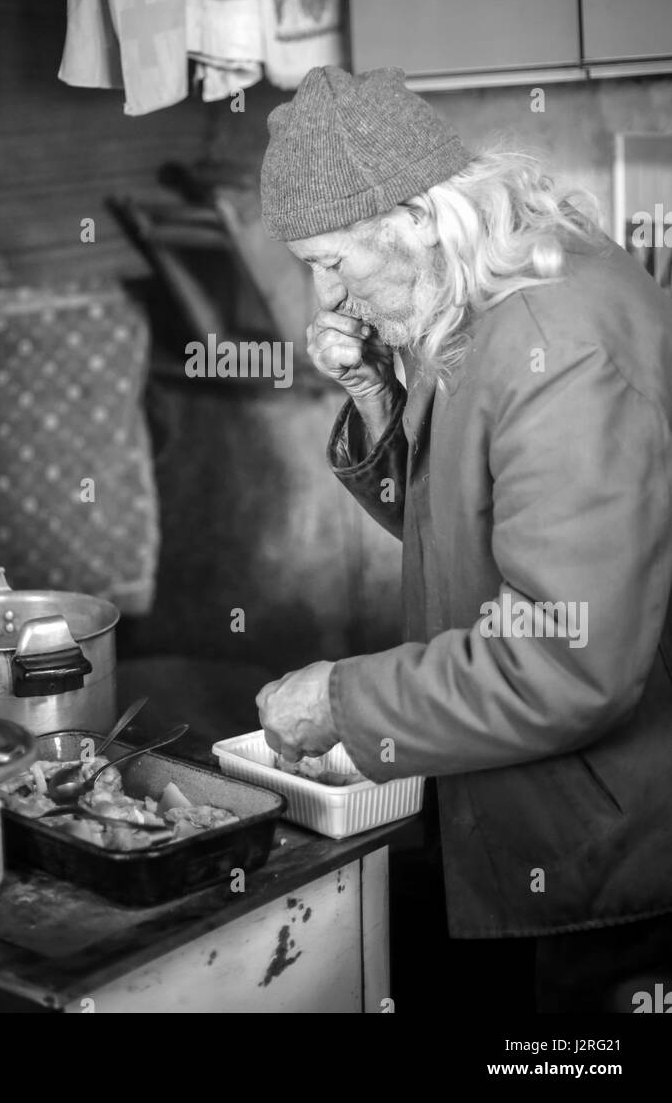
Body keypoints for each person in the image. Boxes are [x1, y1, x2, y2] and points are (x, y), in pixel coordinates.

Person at [255, 64, 672, 1013]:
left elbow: (564, 666)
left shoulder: (555, 347)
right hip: (548, 807)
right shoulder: (491, 293)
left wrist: (347, 699)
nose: (325, 301)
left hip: (612, 850)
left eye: (333, 262)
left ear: (411, 216)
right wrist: (375, 398)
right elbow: (456, 529)